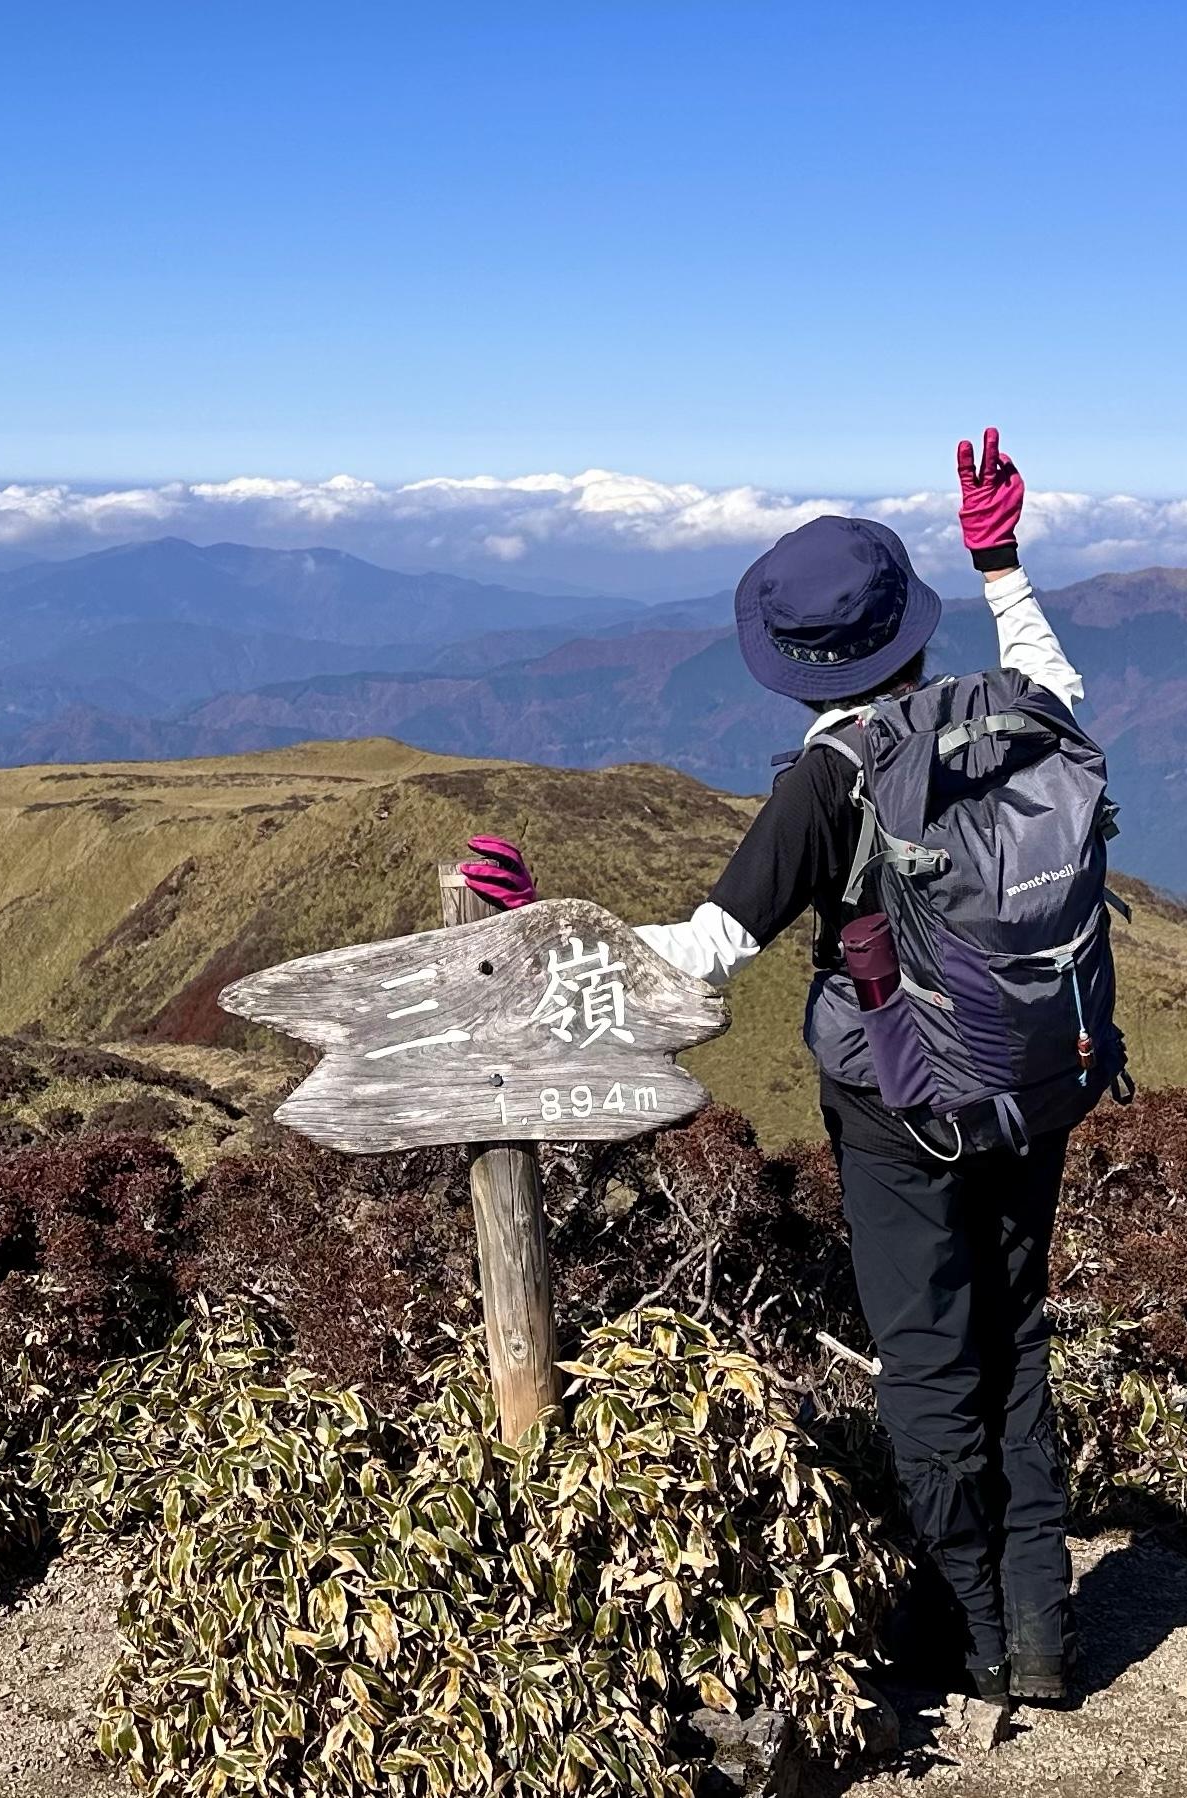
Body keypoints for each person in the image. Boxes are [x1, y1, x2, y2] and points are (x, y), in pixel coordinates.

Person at [460, 428, 1087, 1723]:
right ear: (909, 627)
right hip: (1039, 1080)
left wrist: (541, 930)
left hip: (900, 1108)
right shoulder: (1012, 720)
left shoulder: (825, 779)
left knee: (924, 1361)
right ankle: (1040, 1640)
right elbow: (1049, 669)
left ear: (794, 665)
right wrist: (999, 559)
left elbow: (696, 958)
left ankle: (959, 1636)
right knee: (1013, 1342)